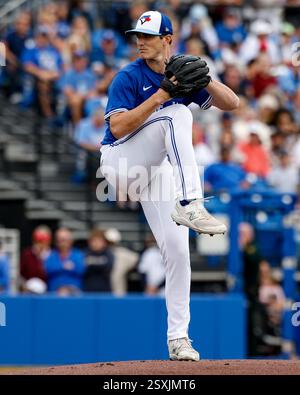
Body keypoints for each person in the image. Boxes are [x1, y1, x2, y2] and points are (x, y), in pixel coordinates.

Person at [100, 10, 239, 361]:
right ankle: (192, 201)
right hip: (120, 163)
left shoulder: (180, 70)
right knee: (178, 113)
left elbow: (232, 104)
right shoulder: (128, 76)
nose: (140, 42)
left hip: (156, 171)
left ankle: (179, 339)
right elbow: (118, 128)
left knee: (178, 252)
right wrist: (162, 94)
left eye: (148, 36)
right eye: (137, 36)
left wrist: (204, 78)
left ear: (167, 40)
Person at [44, 228, 85, 295]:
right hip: (54, 289)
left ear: (71, 241)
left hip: (74, 290)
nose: (62, 243)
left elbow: (81, 270)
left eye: (64, 240)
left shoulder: (78, 254)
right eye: (59, 240)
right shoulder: (51, 254)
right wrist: (63, 266)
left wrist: (60, 268)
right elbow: (47, 269)